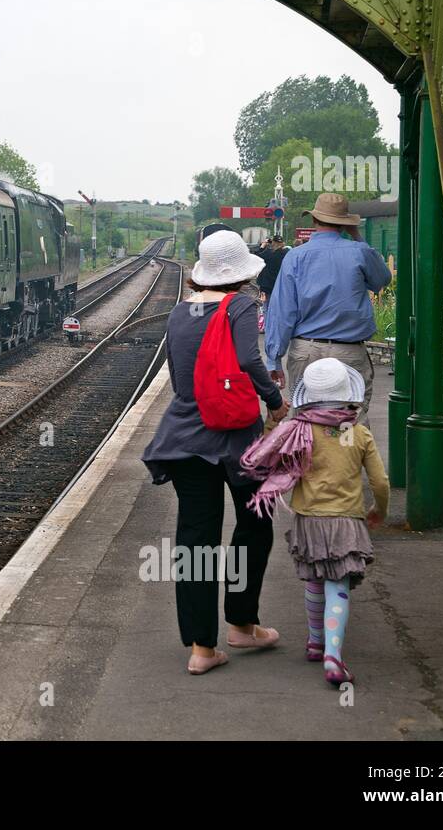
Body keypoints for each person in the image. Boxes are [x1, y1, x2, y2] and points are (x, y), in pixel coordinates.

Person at [142, 229, 290, 675]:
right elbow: (248, 358)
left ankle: (201, 649)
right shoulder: (241, 304)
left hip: (185, 439)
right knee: (254, 524)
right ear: (240, 273)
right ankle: (242, 624)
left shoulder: (179, 312)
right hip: (236, 441)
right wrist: (274, 399)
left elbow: (178, 377)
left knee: (195, 540)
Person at [240, 358, 388, 686]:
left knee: (314, 580)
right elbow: (380, 482)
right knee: (339, 584)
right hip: (346, 520)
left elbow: (269, 451)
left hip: (308, 519)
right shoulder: (358, 433)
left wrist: (269, 421)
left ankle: (315, 641)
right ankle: (333, 657)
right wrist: (380, 509)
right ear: (348, 393)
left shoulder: (299, 431)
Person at [264, 193, 391, 414]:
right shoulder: (359, 252)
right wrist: (358, 235)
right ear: (344, 224)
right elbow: (382, 279)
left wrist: (274, 359)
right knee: (351, 424)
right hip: (349, 352)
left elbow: (282, 311)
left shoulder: (295, 257)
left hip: (306, 350)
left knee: (305, 425)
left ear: (314, 220)